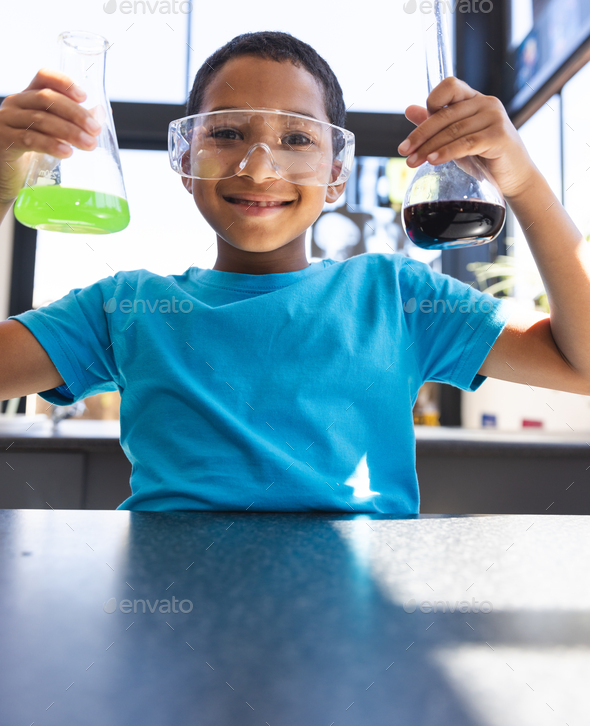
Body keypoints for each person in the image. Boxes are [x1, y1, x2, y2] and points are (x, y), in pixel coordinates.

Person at [1, 30, 589, 513]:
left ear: (337, 173)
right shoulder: (128, 308)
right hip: (174, 608)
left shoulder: (396, 298)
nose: (260, 171)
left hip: (352, 617)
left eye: (297, 138)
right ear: (184, 159)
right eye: (226, 133)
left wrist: (522, 180)